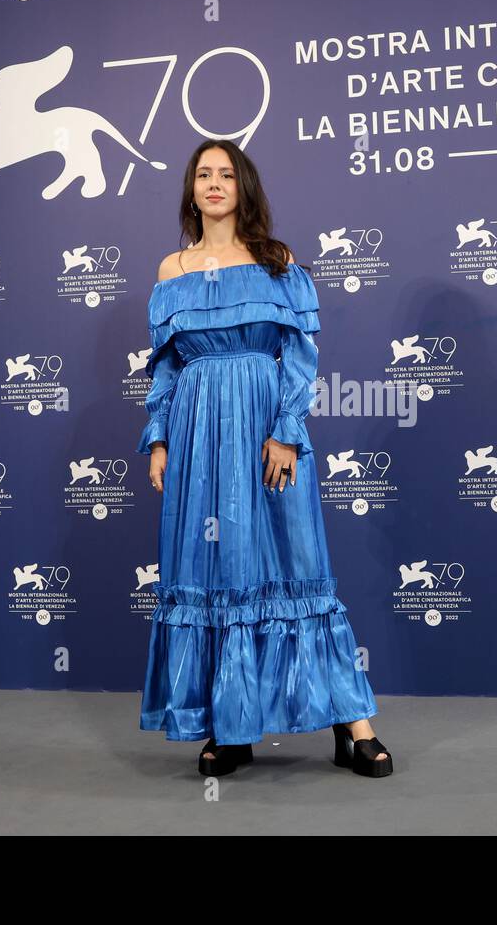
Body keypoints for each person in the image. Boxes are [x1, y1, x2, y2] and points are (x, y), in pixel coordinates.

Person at [136, 139, 393, 778]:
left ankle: (352, 723)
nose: (214, 183)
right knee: (217, 570)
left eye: (226, 174)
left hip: (262, 430)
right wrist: (160, 436)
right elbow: (166, 363)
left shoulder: (276, 261)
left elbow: (299, 356)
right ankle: (233, 723)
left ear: (243, 186)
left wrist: (283, 431)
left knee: (294, 563)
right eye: (203, 174)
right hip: (198, 438)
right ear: (191, 189)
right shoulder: (172, 270)